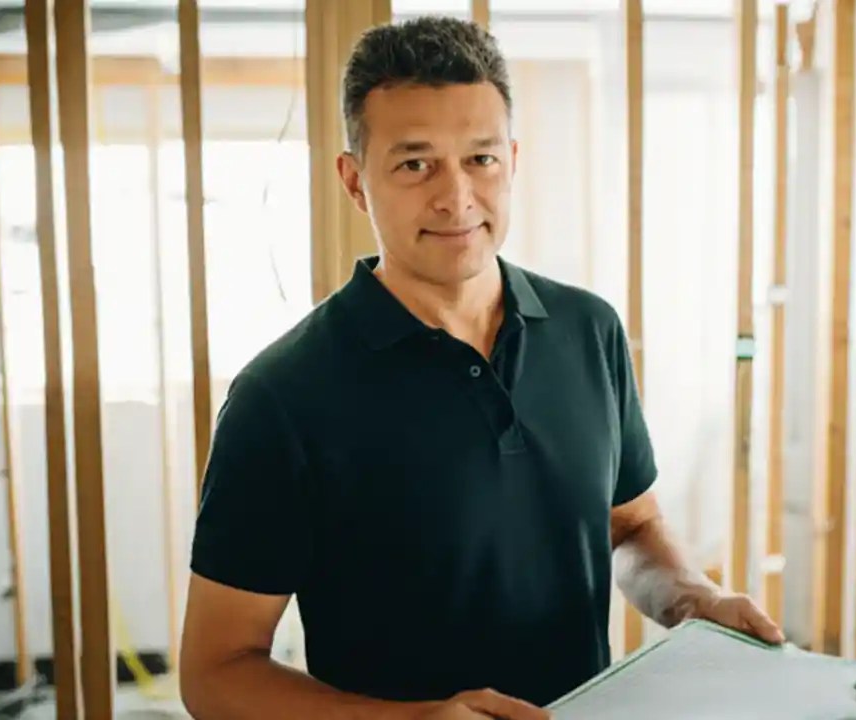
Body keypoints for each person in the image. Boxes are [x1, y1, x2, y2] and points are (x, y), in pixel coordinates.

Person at [178, 15, 782, 720]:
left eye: (480, 159)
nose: (456, 196)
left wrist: (694, 600)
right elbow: (215, 671)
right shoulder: (281, 397)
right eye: (414, 163)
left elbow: (630, 527)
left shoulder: (590, 331)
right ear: (353, 180)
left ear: (513, 160)